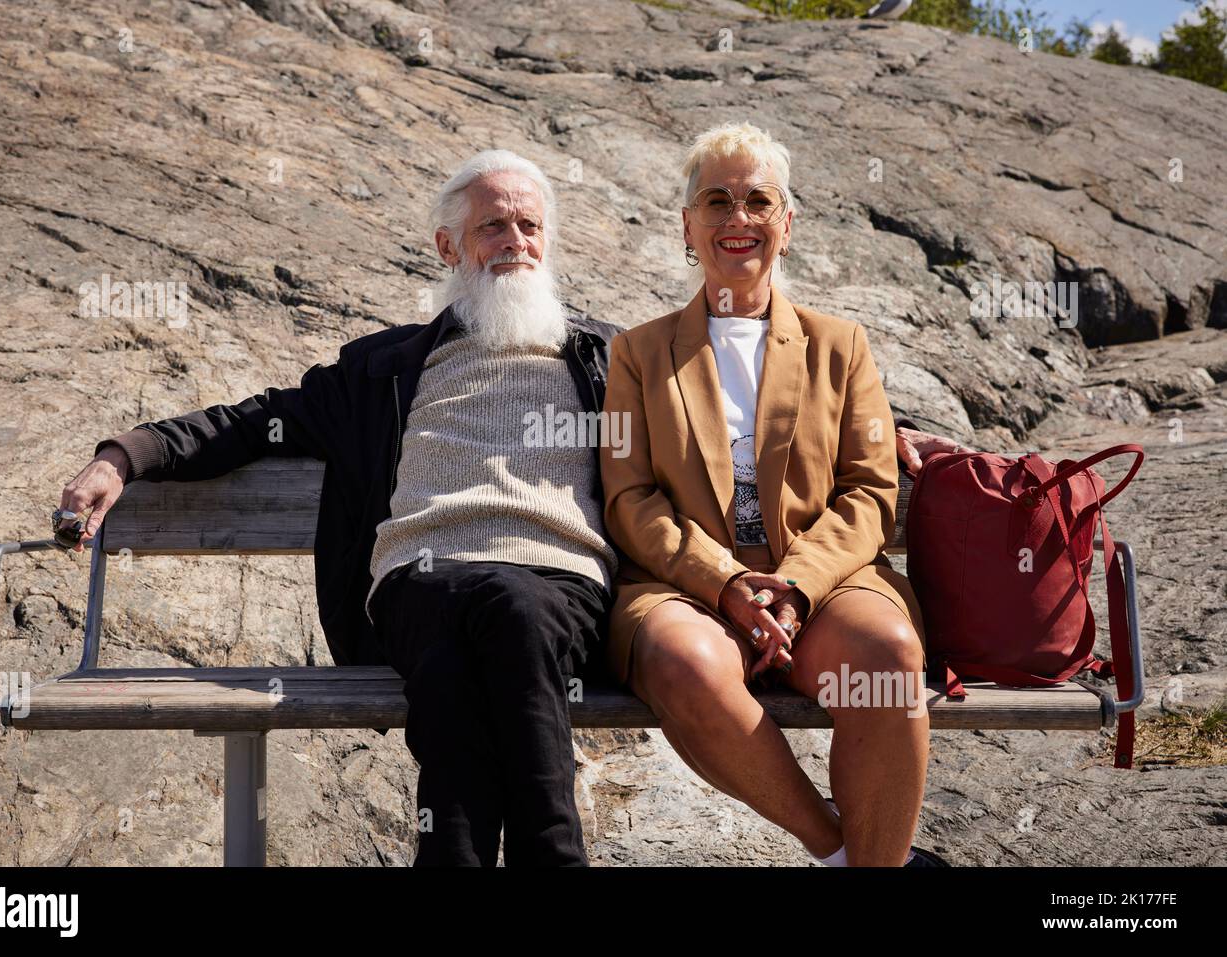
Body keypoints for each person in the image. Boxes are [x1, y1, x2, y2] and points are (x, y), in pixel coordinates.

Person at [57, 144, 963, 867]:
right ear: (451, 247)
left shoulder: (609, 357)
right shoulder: (384, 367)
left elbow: (736, 393)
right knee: (463, 613)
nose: (517, 242)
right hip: (423, 583)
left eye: (530, 225)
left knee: (505, 613)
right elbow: (252, 423)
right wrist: (120, 458)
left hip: (553, 588)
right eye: (493, 226)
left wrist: (898, 433)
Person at [600, 122, 952, 866]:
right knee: (685, 663)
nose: (738, 219)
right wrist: (726, 584)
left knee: (888, 657)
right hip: (686, 588)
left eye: (759, 200)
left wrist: (794, 585)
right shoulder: (636, 353)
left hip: (826, 583)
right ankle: (834, 849)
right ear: (686, 226)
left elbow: (868, 489)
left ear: (786, 226)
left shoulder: (842, 345)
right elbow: (631, 499)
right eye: (716, 200)